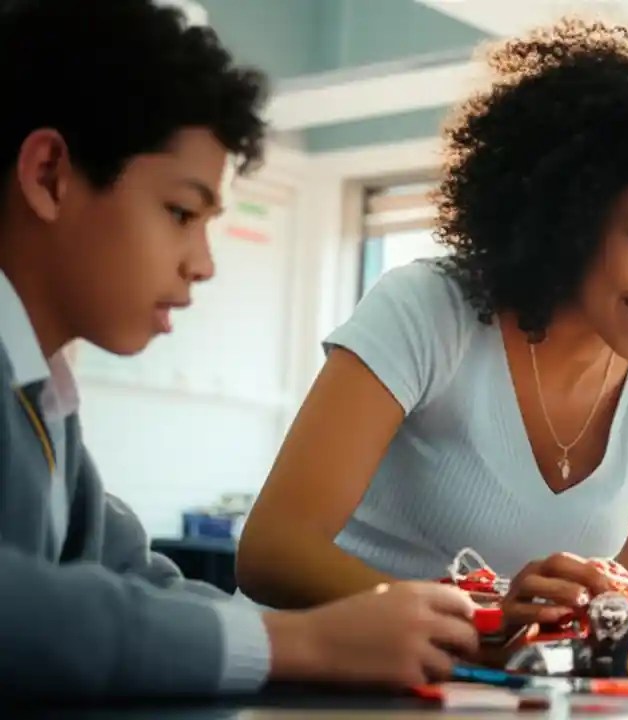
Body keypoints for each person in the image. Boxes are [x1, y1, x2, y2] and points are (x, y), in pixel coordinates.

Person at [236, 13, 628, 631]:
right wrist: (486, 621)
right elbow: (272, 553)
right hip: (314, 674)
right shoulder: (429, 310)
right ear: (570, 223)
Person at [0, 0, 477, 698]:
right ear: (48, 175)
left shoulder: (43, 396)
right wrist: (300, 642)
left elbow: (127, 575)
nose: (203, 263)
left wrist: (355, 638)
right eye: (181, 213)